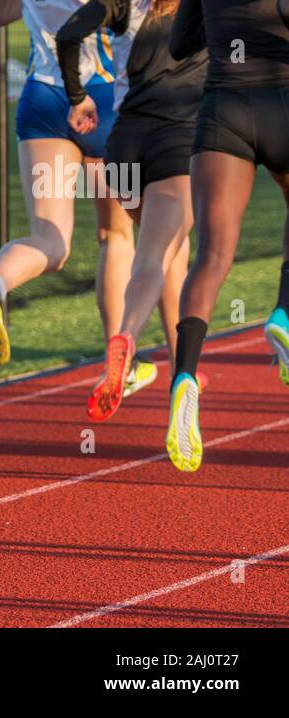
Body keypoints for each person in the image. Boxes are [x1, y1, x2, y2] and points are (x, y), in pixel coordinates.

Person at [55, 0, 208, 421]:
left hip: (121, 151)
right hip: (178, 141)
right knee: (153, 258)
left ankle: (183, 364)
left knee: (169, 245)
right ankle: (127, 338)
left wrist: (77, 96)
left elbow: (68, 34)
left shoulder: (122, 3)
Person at [0, 0, 136, 369]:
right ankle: (117, 359)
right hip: (105, 103)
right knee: (118, 234)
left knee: (50, 242)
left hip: (43, 103)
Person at [164, 0, 289, 471]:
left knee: (213, 255)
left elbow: (179, 46)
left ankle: (185, 376)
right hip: (283, 103)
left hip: (224, 112)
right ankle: (283, 311)